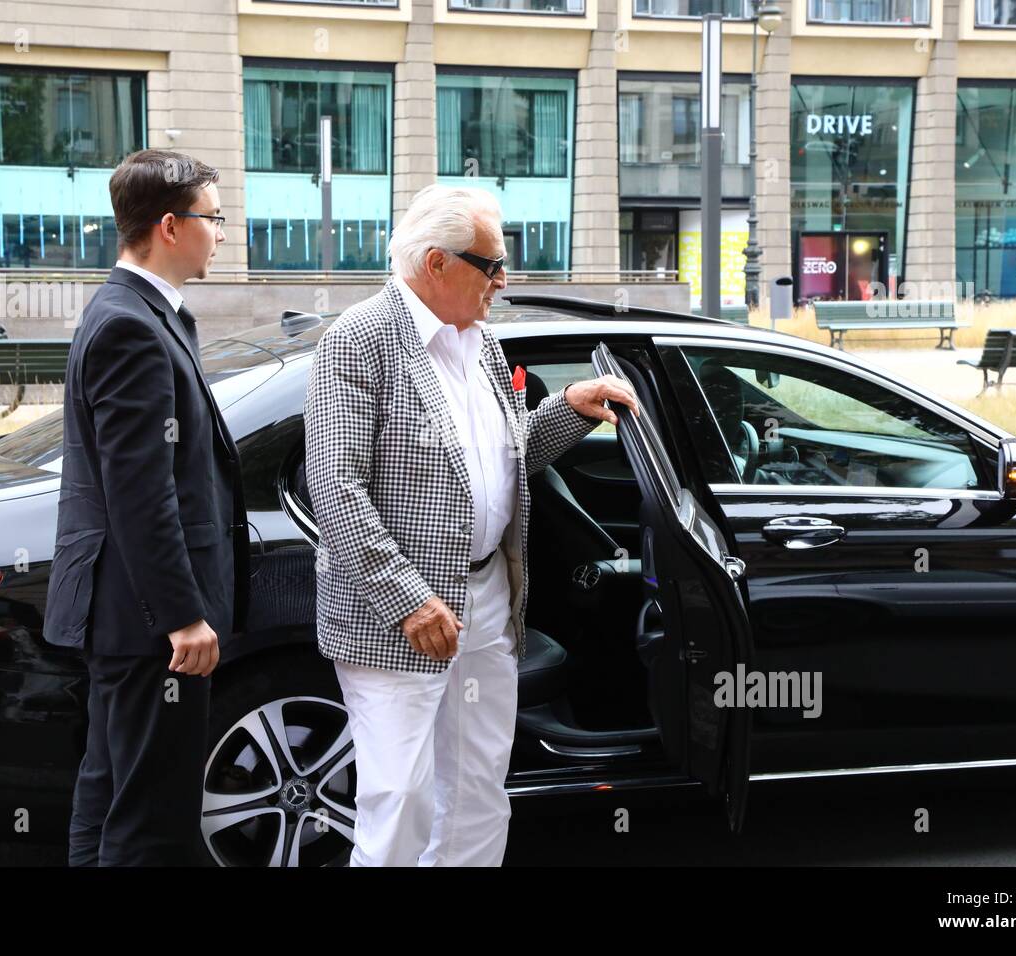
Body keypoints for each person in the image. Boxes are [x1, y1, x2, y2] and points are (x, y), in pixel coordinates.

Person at [304, 183, 638, 866]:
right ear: (436, 263)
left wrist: (570, 408)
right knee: (400, 803)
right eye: (491, 265)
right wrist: (407, 600)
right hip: (398, 617)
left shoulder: (480, 342)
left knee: (481, 790)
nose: (503, 280)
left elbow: (506, 456)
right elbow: (336, 486)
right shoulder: (359, 340)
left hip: (485, 603)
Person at [42, 149, 249, 866]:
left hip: (127, 618)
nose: (221, 232)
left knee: (110, 797)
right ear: (170, 225)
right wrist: (182, 615)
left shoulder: (137, 313)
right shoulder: (131, 324)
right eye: (213, 217)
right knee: (151, 818)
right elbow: (141, 491)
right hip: (146, 623)